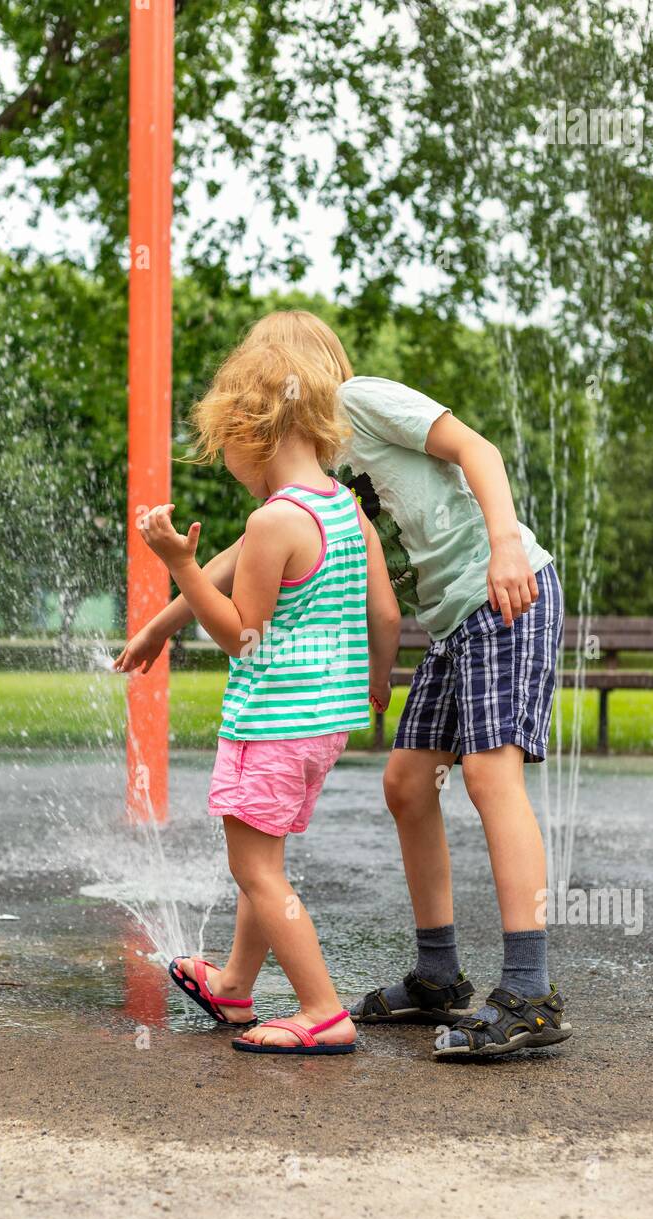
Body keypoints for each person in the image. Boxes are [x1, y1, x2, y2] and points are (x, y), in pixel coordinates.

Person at [119, 309, 571, 1060]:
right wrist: (164, 623)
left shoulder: (362, 399)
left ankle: (530, 990)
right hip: (455, 616)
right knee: (405, 782)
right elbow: (247, 547)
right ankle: (437, 974)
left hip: (505, 591)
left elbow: (476, 449)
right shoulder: (324, 457)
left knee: (494, 779)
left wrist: (503, 547)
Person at [116, 326, 399, 1055]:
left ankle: (322, 1011)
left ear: (255, 430)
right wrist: (373, 692)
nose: (229, 463)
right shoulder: (343, 507)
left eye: (228, 446)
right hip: (321, 725)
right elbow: (387, 614)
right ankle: (234, 985)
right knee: (263, 860)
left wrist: (177, 565)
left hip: (271, 723)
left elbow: (242, 633)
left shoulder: (273, 520)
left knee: (254, 868)